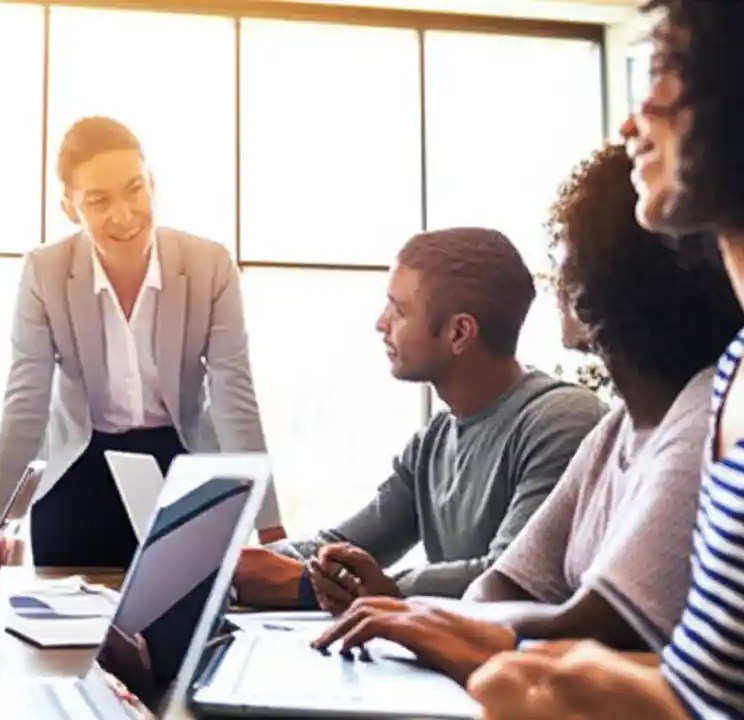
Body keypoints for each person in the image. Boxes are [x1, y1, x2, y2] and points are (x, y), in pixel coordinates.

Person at [310, 144, 743, 684]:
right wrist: (430, 615)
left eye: (563, 247)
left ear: (610, 273)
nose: (552, 274)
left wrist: (427, 614)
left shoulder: (699, 415)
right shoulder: (615, 430)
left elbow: (595, 627)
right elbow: (496, 589)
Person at [467, 2, 744, 718]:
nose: (631, 122)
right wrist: (555, 677)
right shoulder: (732, 382)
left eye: (661, 75)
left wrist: (539, 672)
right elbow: (705, 696)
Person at [0, 116, 285, 570]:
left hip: (181, 461)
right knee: (67, 615)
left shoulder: (209, 266)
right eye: (99, 200)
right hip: (81, 463)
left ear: (153, 183)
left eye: (135, 189)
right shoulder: (45, 272)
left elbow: (234, 397)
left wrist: (271, 534)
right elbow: (26, 402)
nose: (124, 214)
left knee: (185, 620)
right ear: (71, 208)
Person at [233, 228, 607, 609]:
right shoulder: (434, 439)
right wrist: (223, 567)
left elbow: (509, 577)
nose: (381, 323)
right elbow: (342, 545)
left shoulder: (561, 420)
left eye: (399, 310)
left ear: (459, 332)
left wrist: (368, 588)